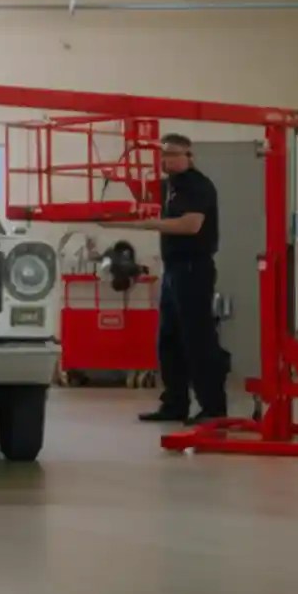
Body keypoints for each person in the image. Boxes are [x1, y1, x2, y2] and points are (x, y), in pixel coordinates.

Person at [111, 133, 228, 425]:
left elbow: (191, 225)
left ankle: (213, 408)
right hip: (173, 269)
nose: (166, 160)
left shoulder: (198, 185)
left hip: (194, 269)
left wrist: (148, 224)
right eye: (162, 155)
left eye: (172, 154)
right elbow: (139, 197)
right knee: (169, 340)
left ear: (189, 155)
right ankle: (174, 403)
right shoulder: (167, 187)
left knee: (198, 339)